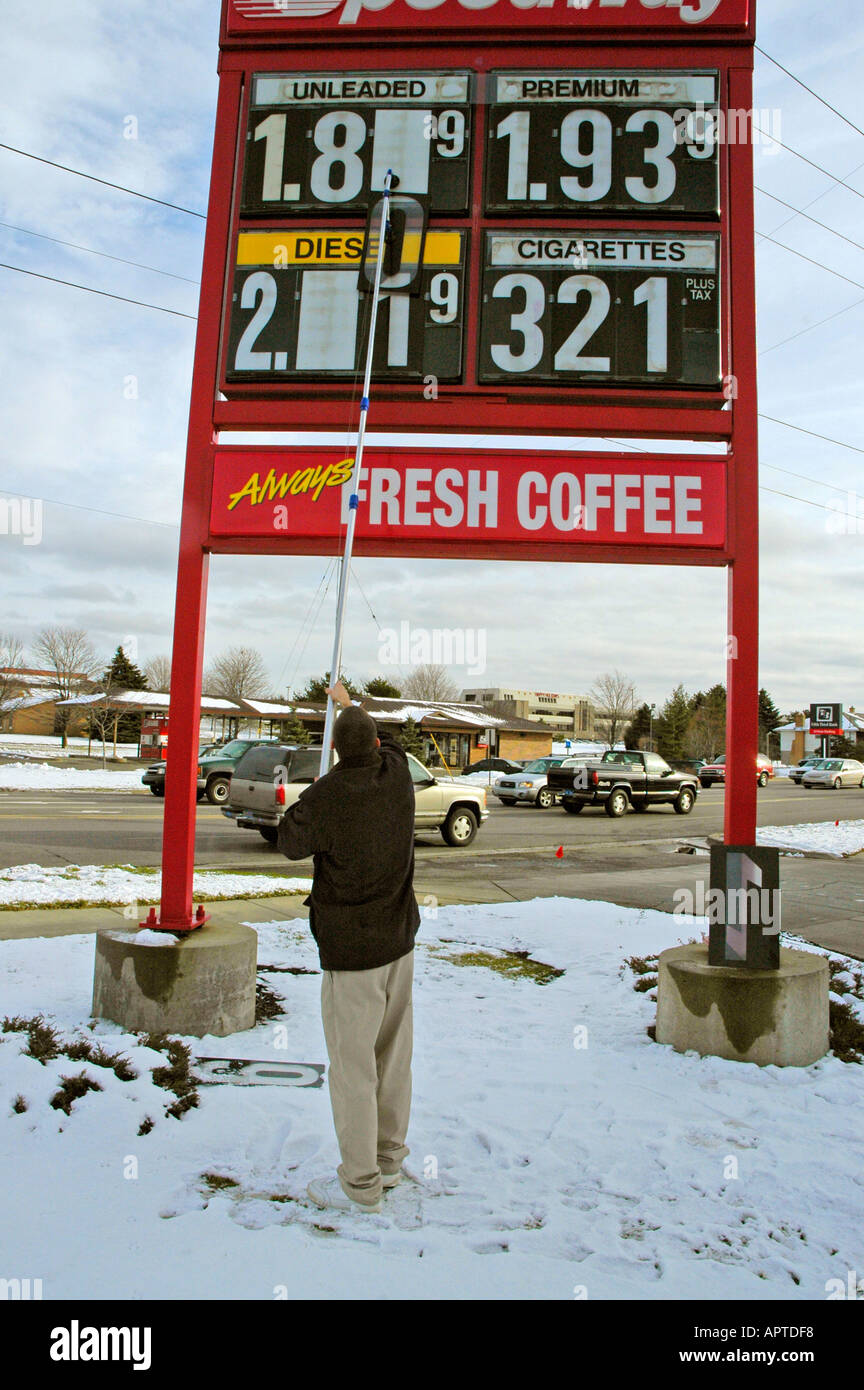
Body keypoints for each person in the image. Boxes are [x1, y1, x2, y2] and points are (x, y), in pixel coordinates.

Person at [278, 679, 420, 1214]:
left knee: (353, 1067)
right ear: (378, 747)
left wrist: (321, 785)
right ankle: (387, 1160)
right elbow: (393, 743)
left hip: (352, 955)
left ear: (337, 751)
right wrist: (348, 703)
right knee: (393, 1058)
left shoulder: (329, 796)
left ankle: (361, 1186)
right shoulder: (398, 776)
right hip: (400, 945)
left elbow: (290, 840)